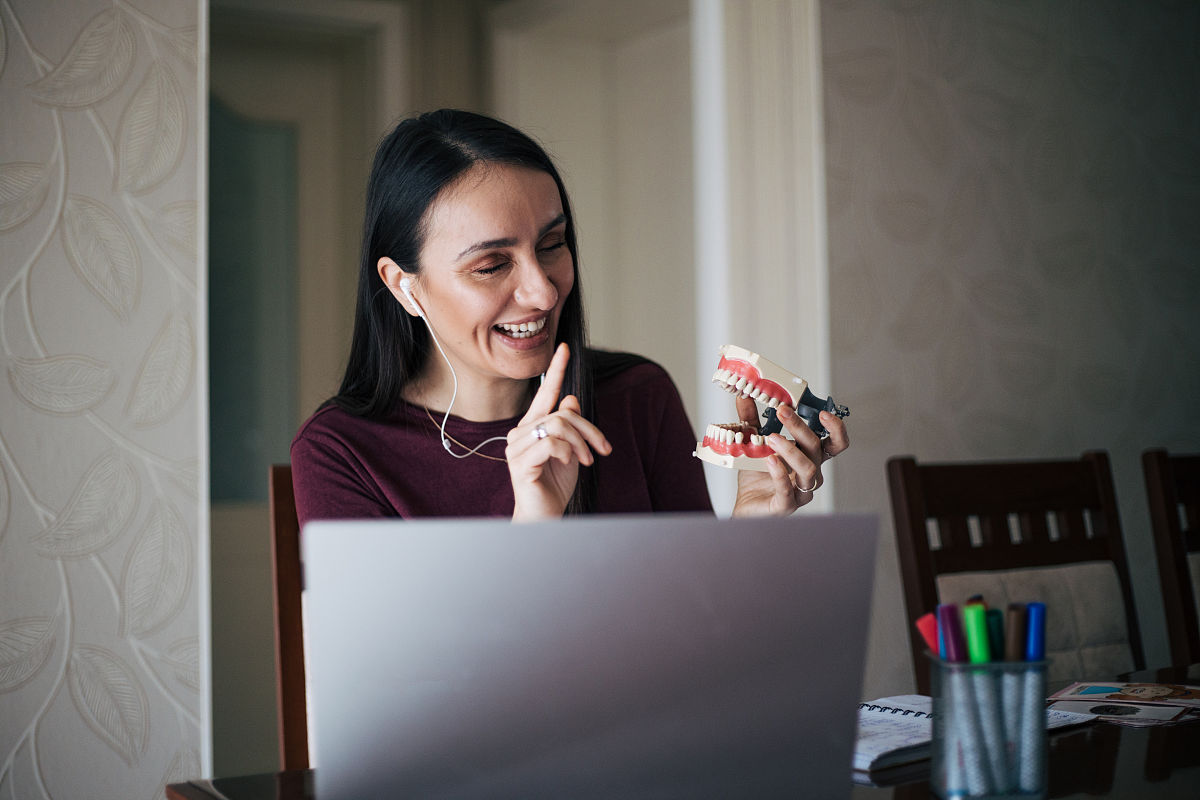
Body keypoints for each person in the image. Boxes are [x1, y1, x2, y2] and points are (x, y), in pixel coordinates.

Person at [290, 109, 848, 527]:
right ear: (403, 286)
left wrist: (751, 527)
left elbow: (695, 644)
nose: (542, 292)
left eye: (552, 244)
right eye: (490, 265)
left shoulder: (638, 397)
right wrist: (531, 532)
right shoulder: (341, 452)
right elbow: (395, 682)